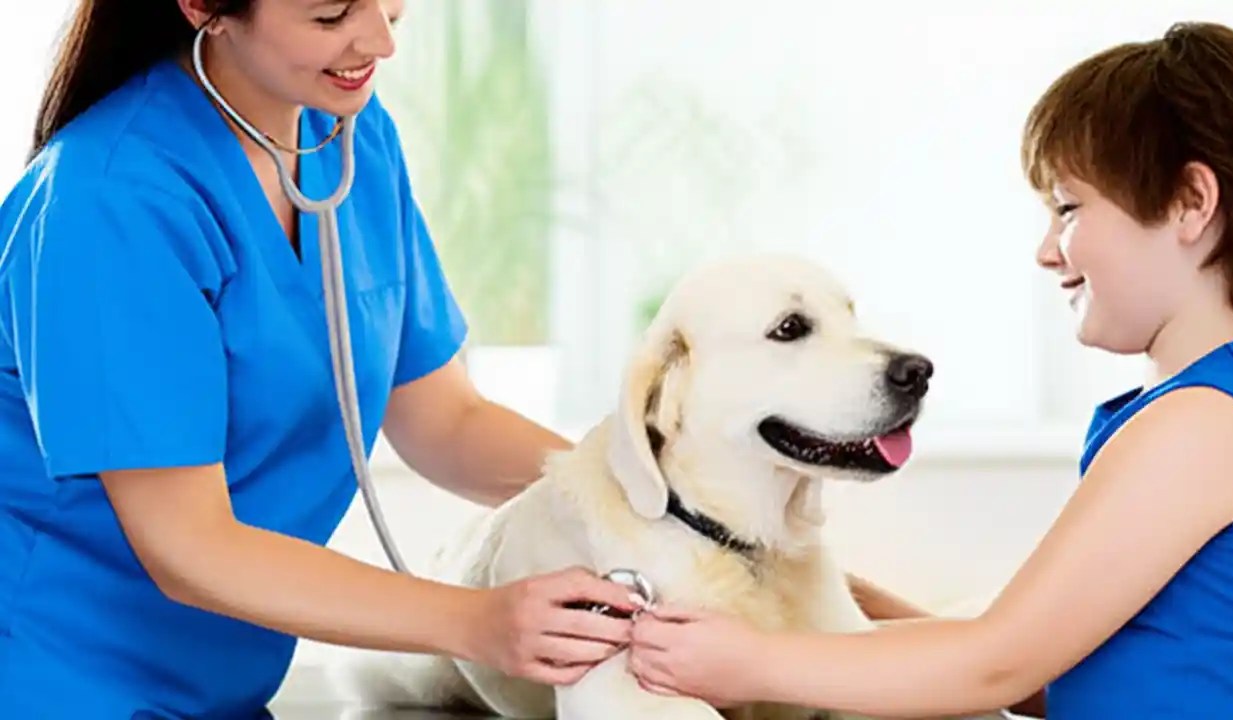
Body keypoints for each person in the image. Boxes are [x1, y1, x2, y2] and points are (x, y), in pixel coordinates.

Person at [0, 1, 920, 717]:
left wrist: (679, 514)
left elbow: (446, 424)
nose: (377, 45)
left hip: (222, 682)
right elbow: (189, 548)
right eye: (330, 17)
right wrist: (479, 621)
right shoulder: (108, 200)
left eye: (389, 9)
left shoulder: (345, 136)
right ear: (204, 7)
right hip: (56, 681)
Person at [628, 20, 1233, 720]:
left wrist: (749, 660)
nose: (1047, 252)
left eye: (1067, 209)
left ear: (1190, 203)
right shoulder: (1225, 404)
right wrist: (862, 621)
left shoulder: (1205, 423)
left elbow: (996, 666)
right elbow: (1050, 669)